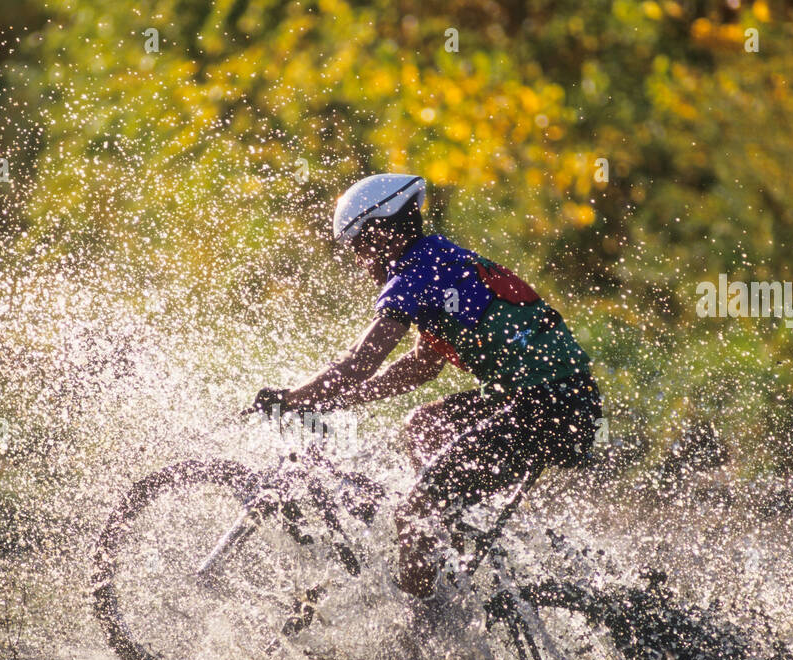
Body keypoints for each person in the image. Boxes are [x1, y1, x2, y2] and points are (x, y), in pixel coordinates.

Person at [253, 173, 601, 604]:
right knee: (424, 425)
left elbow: (360, 362)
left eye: (360, 247)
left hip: (545, 408)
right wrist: (345, 400)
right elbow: (421, 367)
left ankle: (424, 629)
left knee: (412, 512)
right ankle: (444, 545)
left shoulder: (414, 274)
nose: (362, 262)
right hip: (556, 402)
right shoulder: (439, 259)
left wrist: (291, 398)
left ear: (382, 232)